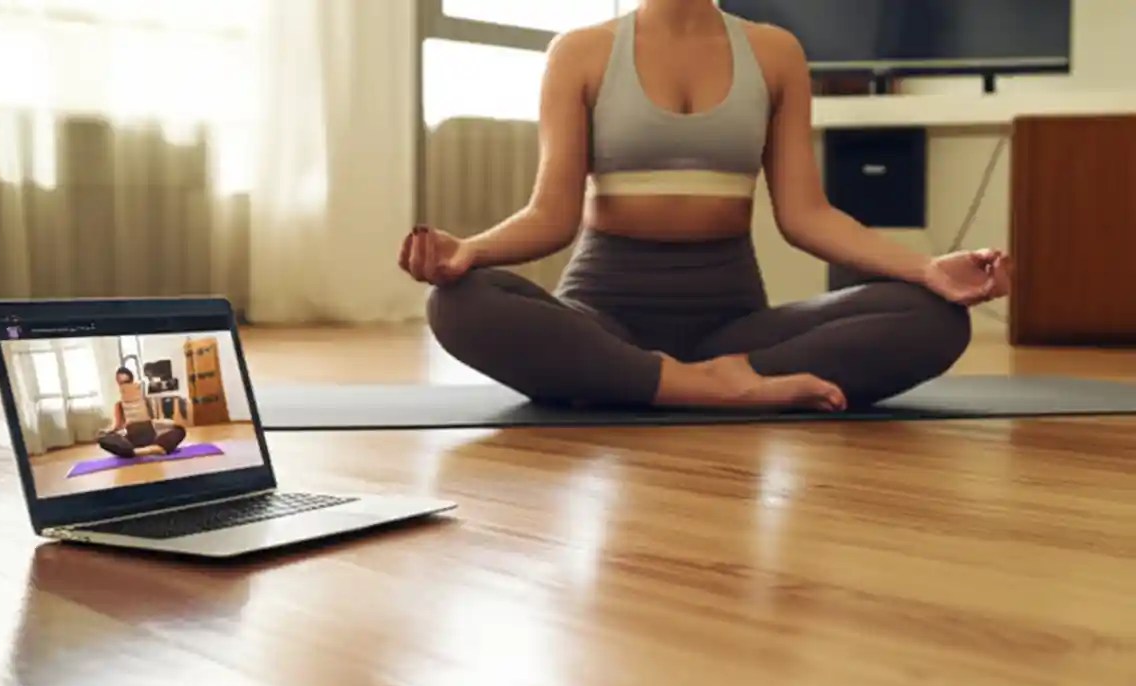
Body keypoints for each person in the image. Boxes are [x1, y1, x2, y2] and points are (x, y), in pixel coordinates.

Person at [398, 0, 1011, 411]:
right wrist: (469, 251)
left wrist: (926, 269)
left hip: (735, 327)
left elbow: (807, 215)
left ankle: (692, 379)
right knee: (460, 304)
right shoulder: (580, 52)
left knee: (933, 317)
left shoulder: (774, 53)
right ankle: (705, 387)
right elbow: (550, 216)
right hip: (607, 317)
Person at [98, 367, 187, 458]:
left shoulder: (145, 400)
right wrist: (106, 433)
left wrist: (170, 424)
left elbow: (153, 420)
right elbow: (116, 426)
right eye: (121, 383)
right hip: (132, 440)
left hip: (150, 437)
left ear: (132, 381)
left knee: (180, 431)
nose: (124, 386)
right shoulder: (119, 404)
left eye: (127, 382)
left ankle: (145, 450)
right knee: (103, 439)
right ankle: (143, 450)